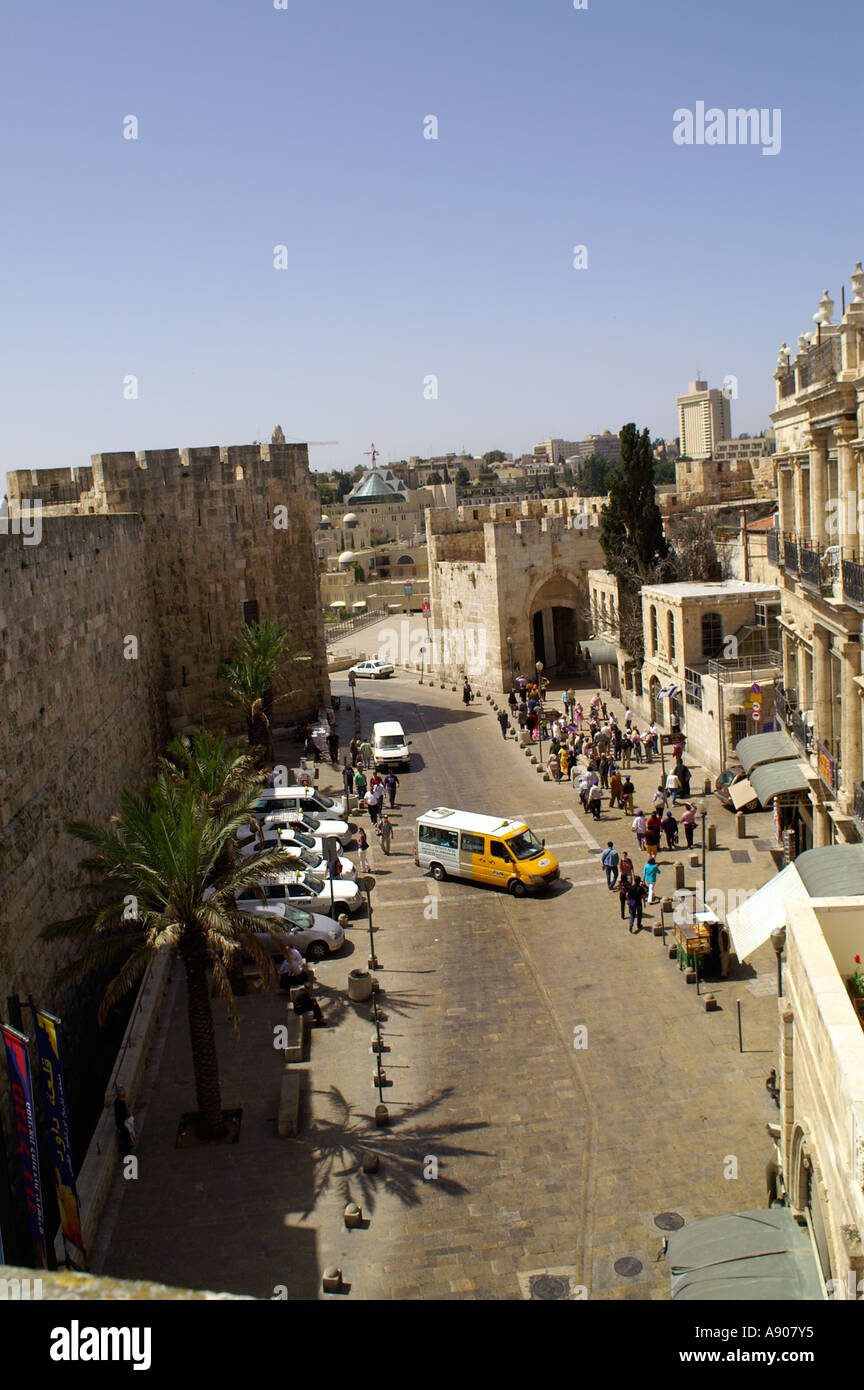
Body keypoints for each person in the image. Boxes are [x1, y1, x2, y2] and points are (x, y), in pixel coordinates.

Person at [113, 1086, 135, 1156]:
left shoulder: (121, 1101)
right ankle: (127, 1151)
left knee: (128, 1135)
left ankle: (128, 1147)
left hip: (125, 1121)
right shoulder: (117, 1103)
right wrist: (124, 1121)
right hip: (122, 1123)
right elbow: (119, 1115)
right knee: (125, 1137)